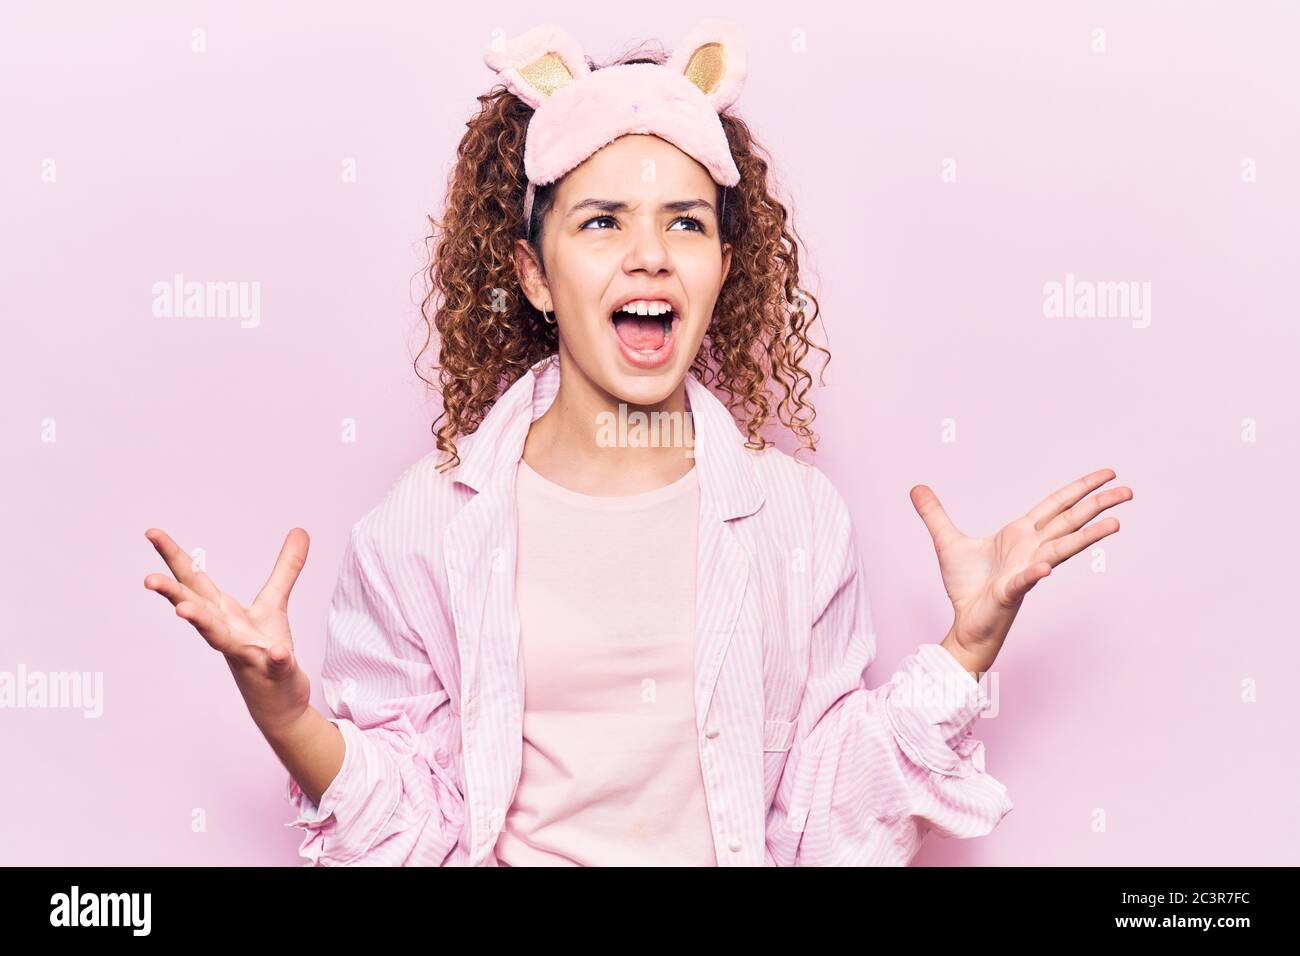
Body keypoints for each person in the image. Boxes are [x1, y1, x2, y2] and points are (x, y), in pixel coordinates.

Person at [142, 19, 1132, 866]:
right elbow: (413, 835)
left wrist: (964, 649)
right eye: (603, 220)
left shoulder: (792, 517)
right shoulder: (422, 528)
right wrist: (288, 717)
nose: (649, 253)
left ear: (724, 266)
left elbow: (824, 823)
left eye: (685, 222)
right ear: (532, 273)